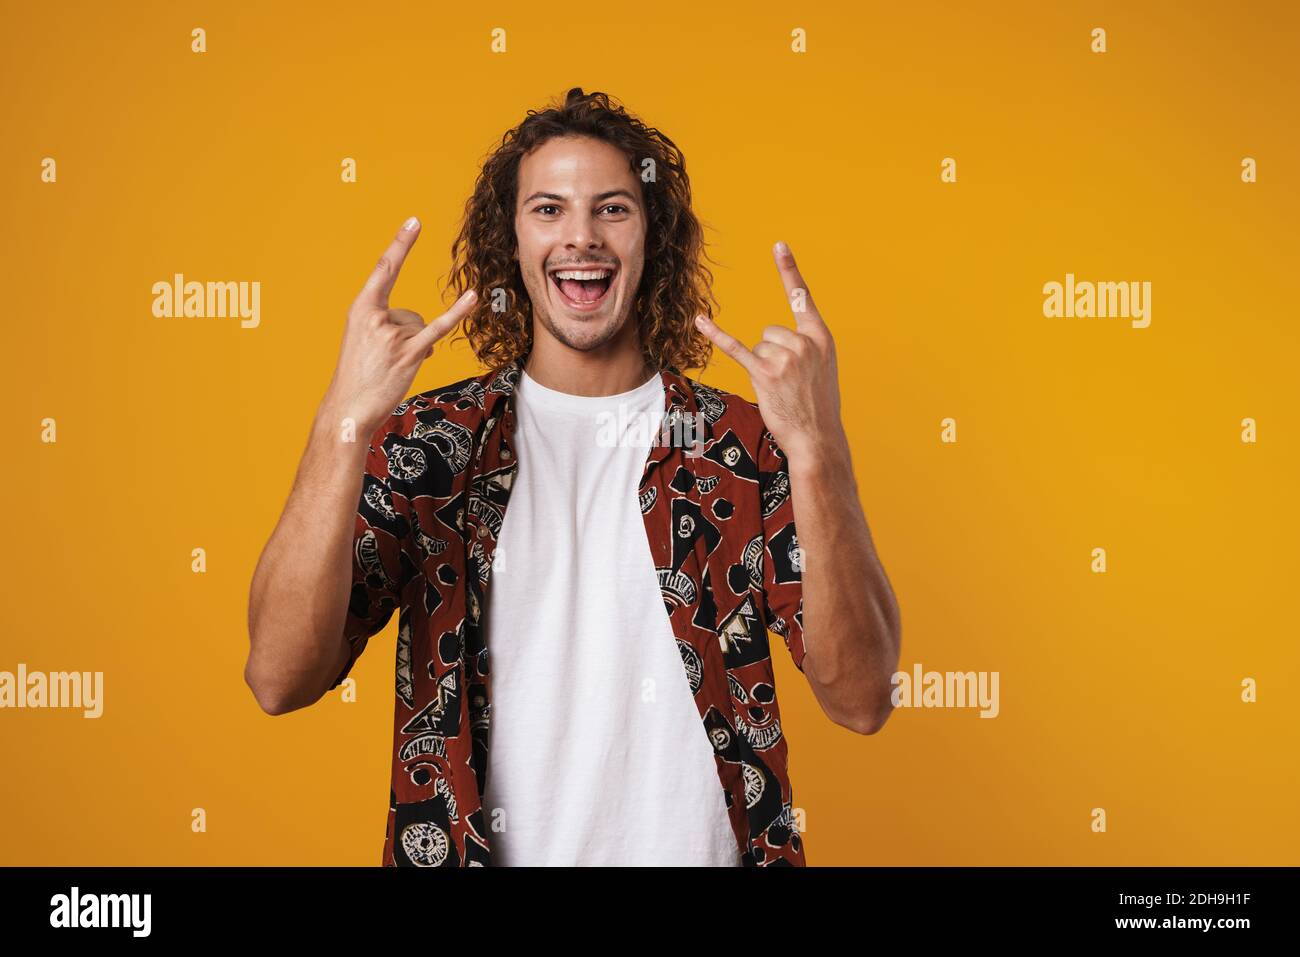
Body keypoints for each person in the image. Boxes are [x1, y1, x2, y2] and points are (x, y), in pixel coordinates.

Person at [245, 88, 901, 867]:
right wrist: (342, 421)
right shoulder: (432, 443)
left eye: (613, 208)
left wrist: (820, 449)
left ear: (654, 236)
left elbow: (861, 698)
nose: (581, 237)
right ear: (511, 240)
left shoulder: (743, 444)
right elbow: (279, 677)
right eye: (548, 209)